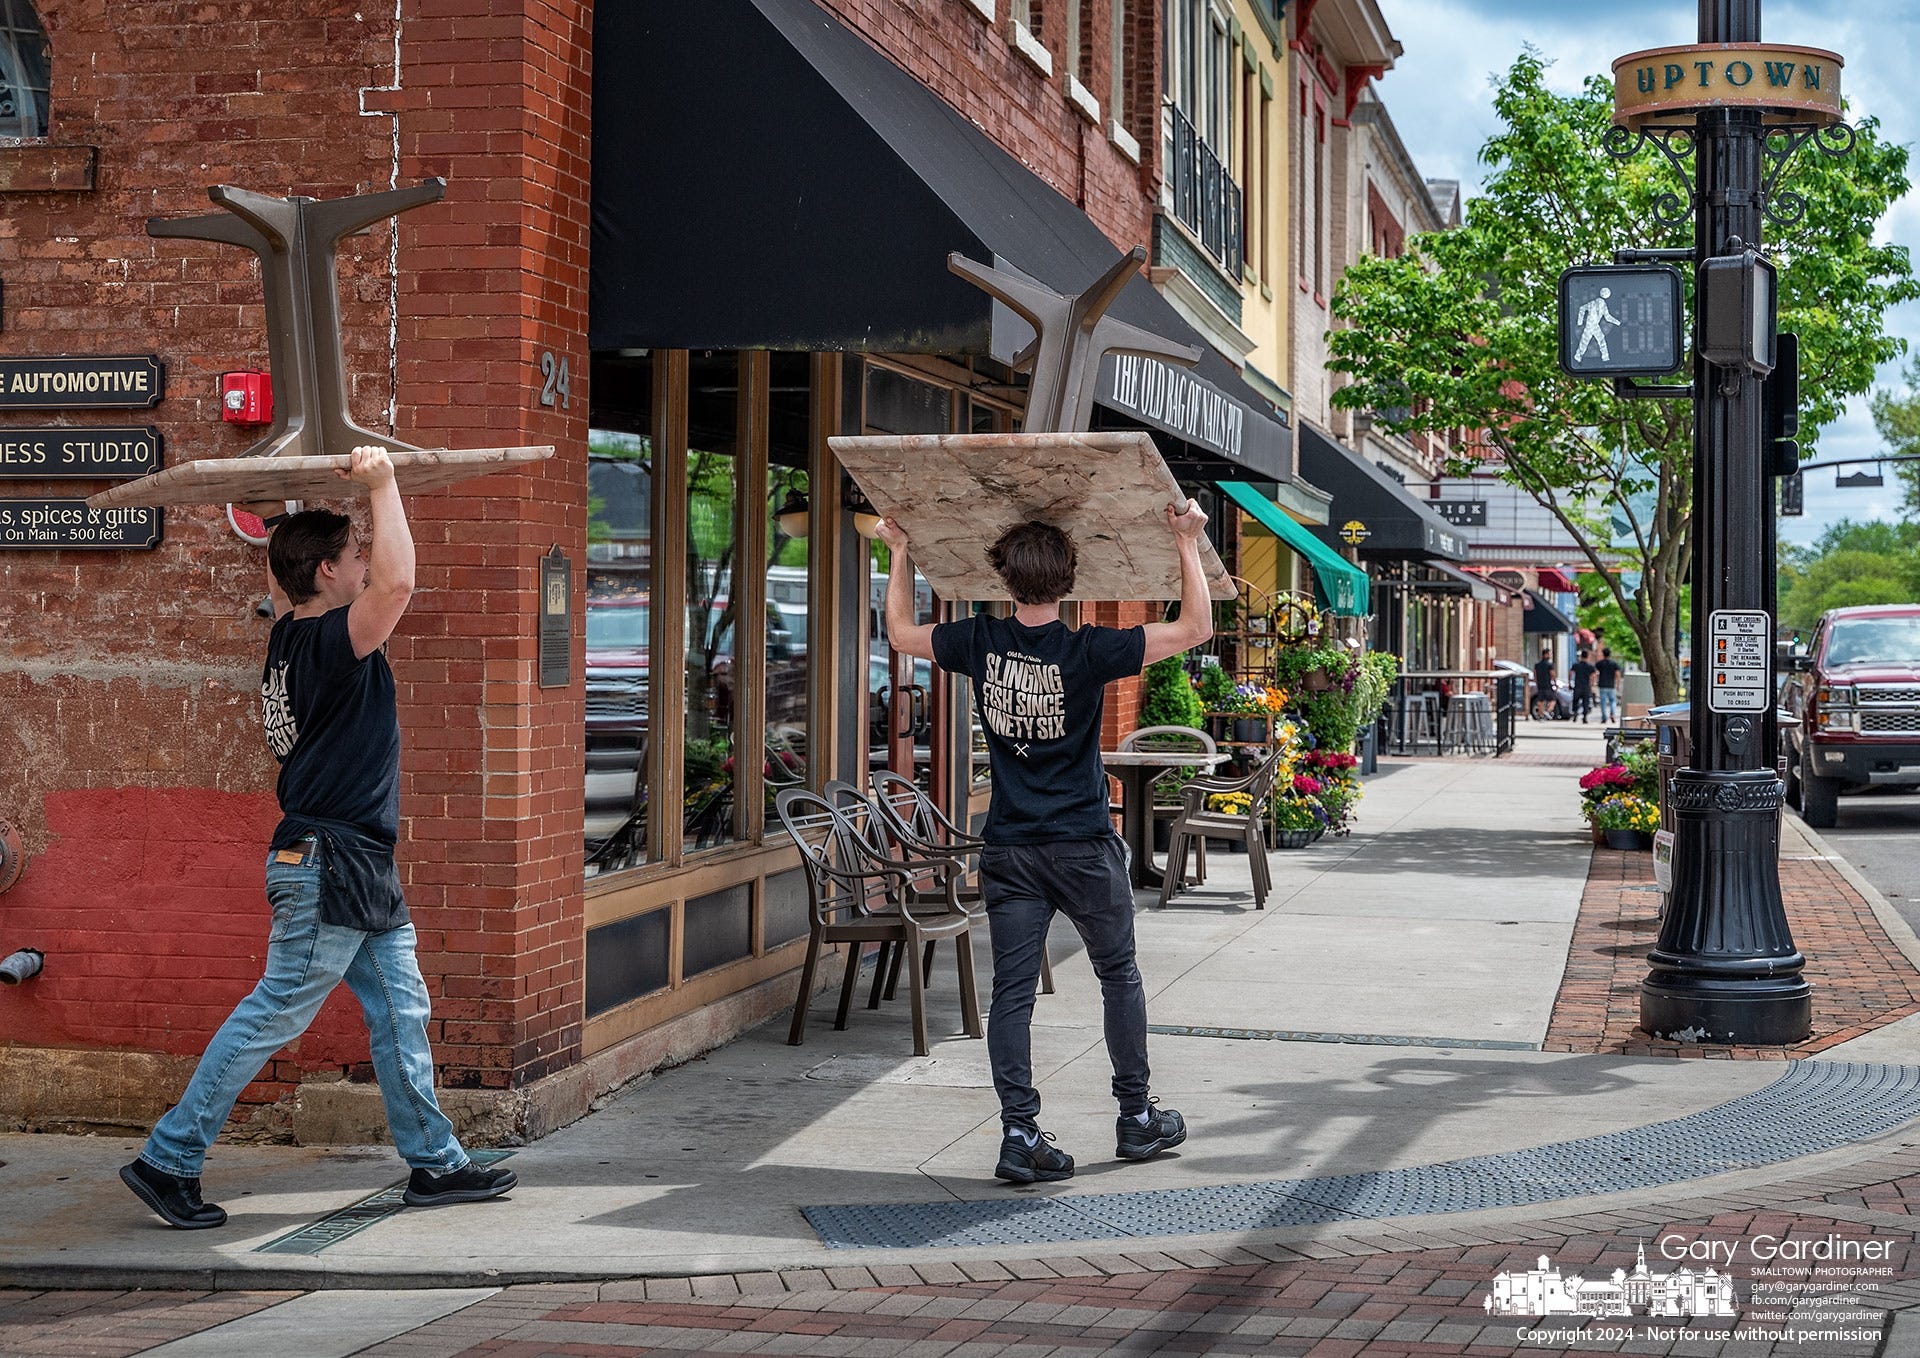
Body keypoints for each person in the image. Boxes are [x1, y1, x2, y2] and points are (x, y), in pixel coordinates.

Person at [121, 446, 516, 1230]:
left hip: (355, 863)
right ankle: (169, 1159)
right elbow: (400, 583)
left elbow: (304, 571)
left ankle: (435, 1165)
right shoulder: (333, 645)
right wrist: (381, 483)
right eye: (354, 557)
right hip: (328, 861)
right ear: (330, 575)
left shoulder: (289, 635)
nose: (366, 565)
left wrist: (300, 504)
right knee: (276, 1013)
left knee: (403, 1012)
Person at [875, 499, 1213, 1185]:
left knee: (1012, 994)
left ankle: (1019, 1134)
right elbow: (1197, 627)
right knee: (1118, 975)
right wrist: (1188, 540)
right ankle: (1136, 1119)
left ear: (1005, 580)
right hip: (1084, 844)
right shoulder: (1090, 650)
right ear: (1069, 582)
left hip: (1011, 849)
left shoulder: (978, 642)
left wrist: (901, 551)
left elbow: (902, 633)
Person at [1569, 648, 1597, 724]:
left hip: (1577, 685)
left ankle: (1575, 713)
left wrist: (1569, 682)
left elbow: (1571, 673)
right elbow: (1593, 676)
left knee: (1575, 700)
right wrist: (1592, 685)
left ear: (1581, 656)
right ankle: (1584, 717)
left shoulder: (1576, 665)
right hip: (1586, 686)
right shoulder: (1590, 666)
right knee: (1585, 702)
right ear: (1587, 656)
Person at [1595, 647, 1621, 724]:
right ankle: (1612, 714)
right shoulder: (1614, 664)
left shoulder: (1599, 663)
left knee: (1603, 702)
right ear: (1610, 654)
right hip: (1611, 685)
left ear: (1603, 654)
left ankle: (1604, 717)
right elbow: (1617, 674)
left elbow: (1596, 673)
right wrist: (1618, 684)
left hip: (1602, 685)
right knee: (1613, 701)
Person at [1531, 651, 1557, 721]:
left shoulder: (1537, 665)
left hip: (1540, 686)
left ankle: (1541, 715)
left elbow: (1535, 675)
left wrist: (1537, 683)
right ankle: (1548, 711)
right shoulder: (1549, 664)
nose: (1550, 655)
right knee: (1553, 700)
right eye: (1549, 654)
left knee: (1540, 701)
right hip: (1548, 685)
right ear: (1545, 655)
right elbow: (1553, 674)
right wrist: (1555, 683)